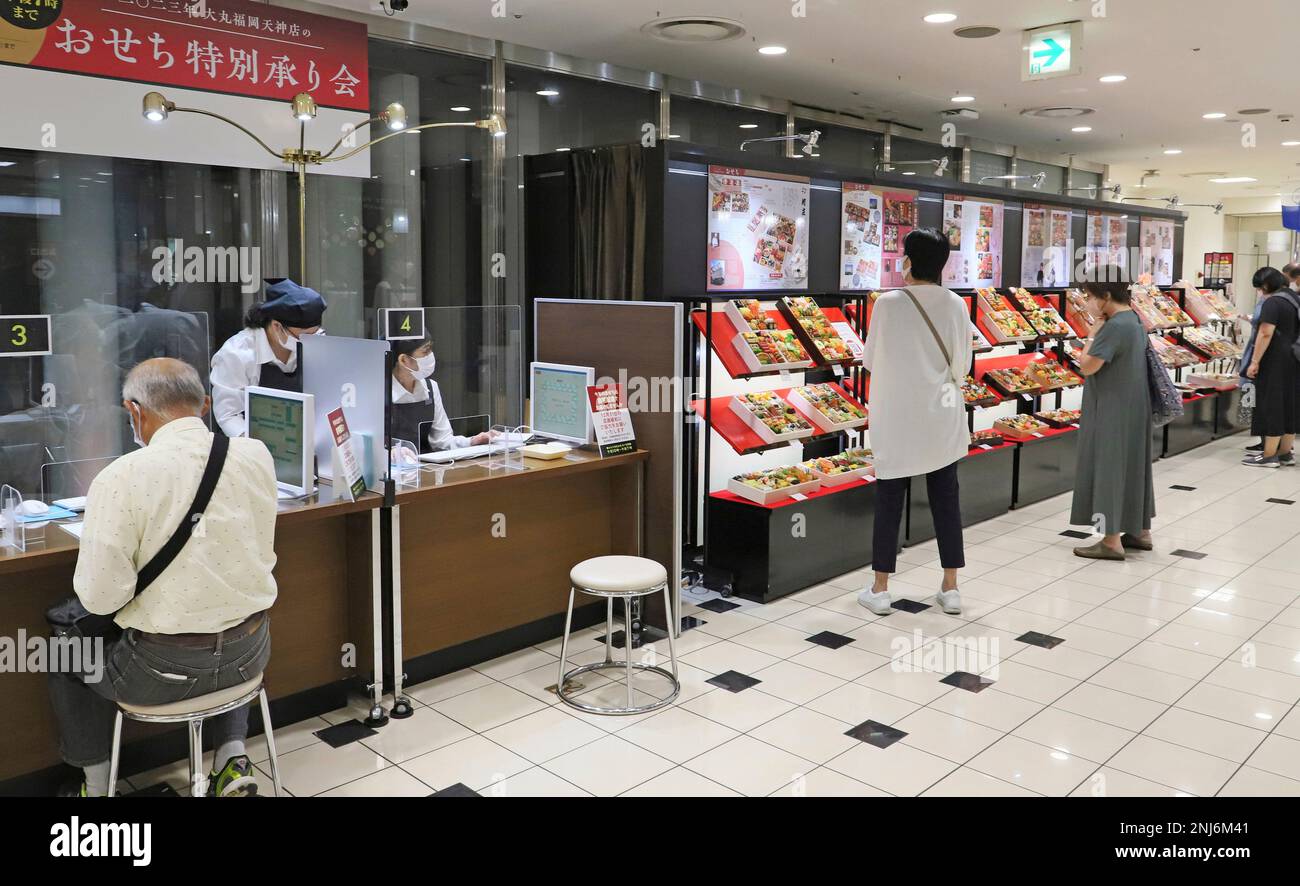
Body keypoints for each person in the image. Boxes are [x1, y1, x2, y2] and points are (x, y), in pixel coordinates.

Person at [48, 358, 279, 797]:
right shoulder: (256, 455)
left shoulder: (120, 477)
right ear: (205, 405)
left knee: (64, 649)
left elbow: (99, 600)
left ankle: (96, 788)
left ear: (134, 412)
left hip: (158, 675)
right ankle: (232, 760)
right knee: (228, 611)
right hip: (252, 654)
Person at [859, 228, 972, 615]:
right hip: (940, 415)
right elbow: (963, 366)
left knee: (889, 498)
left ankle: (880, 588)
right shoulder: (956, 304)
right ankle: (951, 587)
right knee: (946, 499)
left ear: (909, 260)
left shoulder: (887, 303)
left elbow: (871, 360)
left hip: (896, 415)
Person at [1069, 269, 1156, 559]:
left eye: (1090, 296)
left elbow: (1088, 366)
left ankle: (1109, 541)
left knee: (1108, 470)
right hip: (1133, 404)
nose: (1087, 302)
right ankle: (1139, 530)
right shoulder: (1133, 320)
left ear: (1106, 296)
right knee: (1132, 467)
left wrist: (1090, 336)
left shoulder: (1114, 326)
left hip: (1111, 407)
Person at [210, 278, 327, 437]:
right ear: (277, 326)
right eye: (305, 337)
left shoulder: (314, 344)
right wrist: (259, 448)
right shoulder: (236, 354)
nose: (311, 342)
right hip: (250, 444)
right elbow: (228, 416)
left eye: (316, 334)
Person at [390, 336, 495, 454]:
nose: (431, 355)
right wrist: (391, 452)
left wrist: (472, 441)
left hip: (425, 467)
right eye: (425, 351)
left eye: (431, 349)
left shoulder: (431, 387)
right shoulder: (377, 392)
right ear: (404, 360)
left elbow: (442, 441)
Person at [1242, 267, 1298, 468]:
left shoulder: (1273, 302)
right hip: (1293, 358)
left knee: (1271, 403)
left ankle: (1268, 455)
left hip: (1274, 359)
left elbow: (1266, 333)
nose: (1259, 291)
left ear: (1265, 285)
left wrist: (1254, 361)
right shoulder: (1293, 298)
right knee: (1289, 403)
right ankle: (1285, 453)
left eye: (1259, 287)